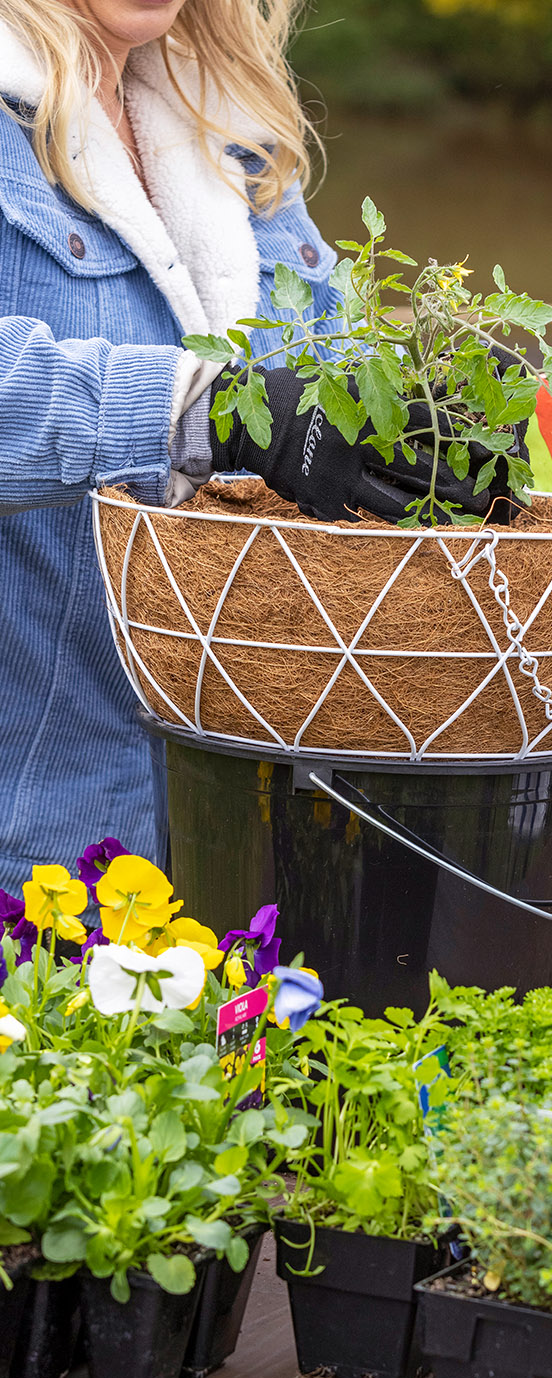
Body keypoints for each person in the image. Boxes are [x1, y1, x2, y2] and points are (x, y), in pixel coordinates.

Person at [0, 0, 505, 895]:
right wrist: (207, 409)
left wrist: (427, 403)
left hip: (240, 830)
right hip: (38, 841)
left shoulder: (230, 130)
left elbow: (324, 376)